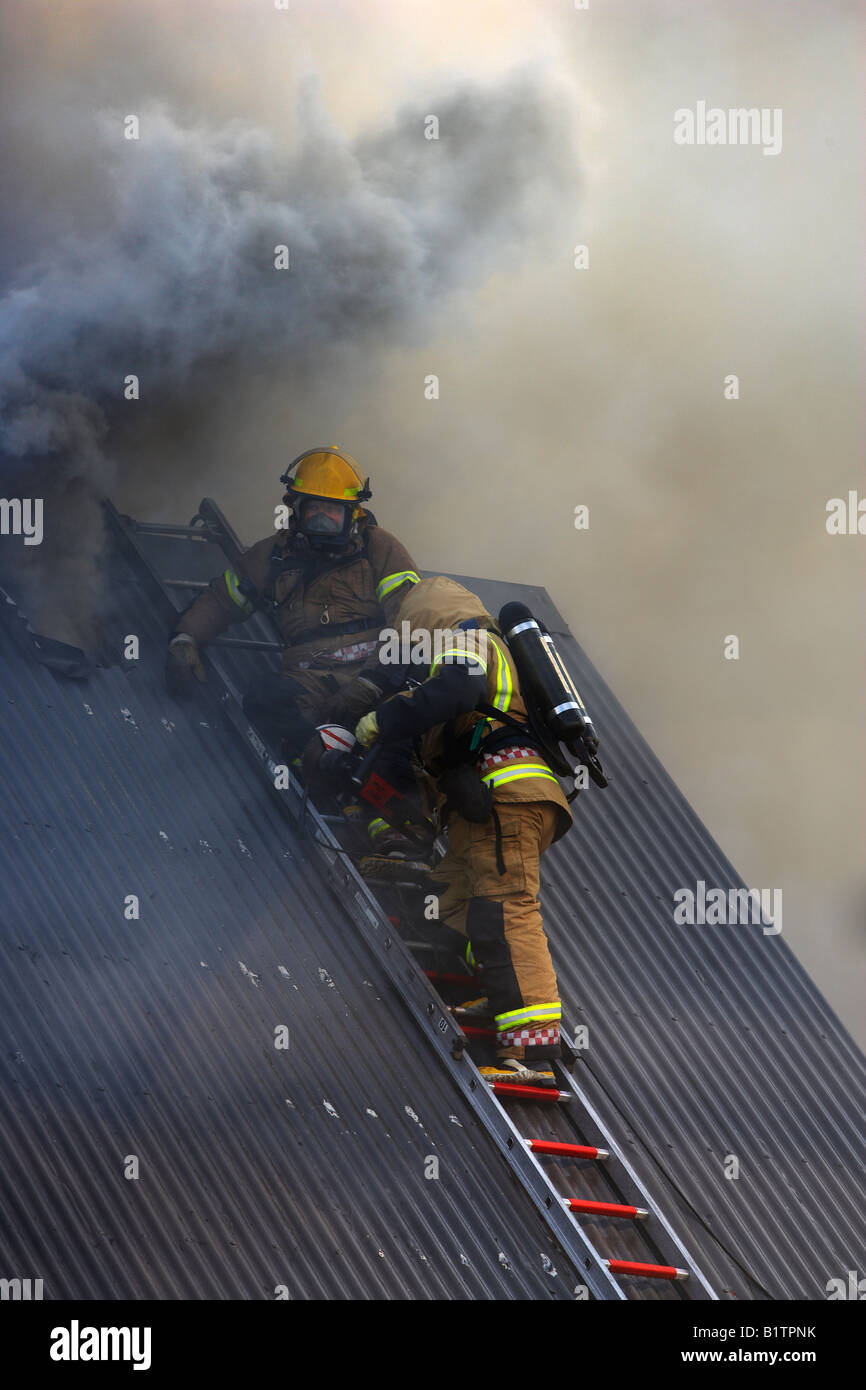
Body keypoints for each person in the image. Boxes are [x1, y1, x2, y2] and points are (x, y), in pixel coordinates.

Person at [350, 576, 573, 1086]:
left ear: (424, 622)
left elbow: (455, 691)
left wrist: (382, 721)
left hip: (506, 804)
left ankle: (530, 1046)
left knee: (507, 906)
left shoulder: (468, 641)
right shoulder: (489, 649)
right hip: (493, 808)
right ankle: (496, 993)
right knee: (450, 897)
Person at [165, 446, 420, 759]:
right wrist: (186, 638)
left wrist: (374, 681)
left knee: (411, 727)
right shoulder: (274, 555)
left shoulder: (380, 548)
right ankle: (316, 761)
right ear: (296, 508)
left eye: (333, 510)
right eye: (315, 508)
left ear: (353, 512)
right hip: (312, 682)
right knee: (265, 700)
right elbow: (221, 600)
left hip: (375, 676)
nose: (323, 518)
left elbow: (410, 619)